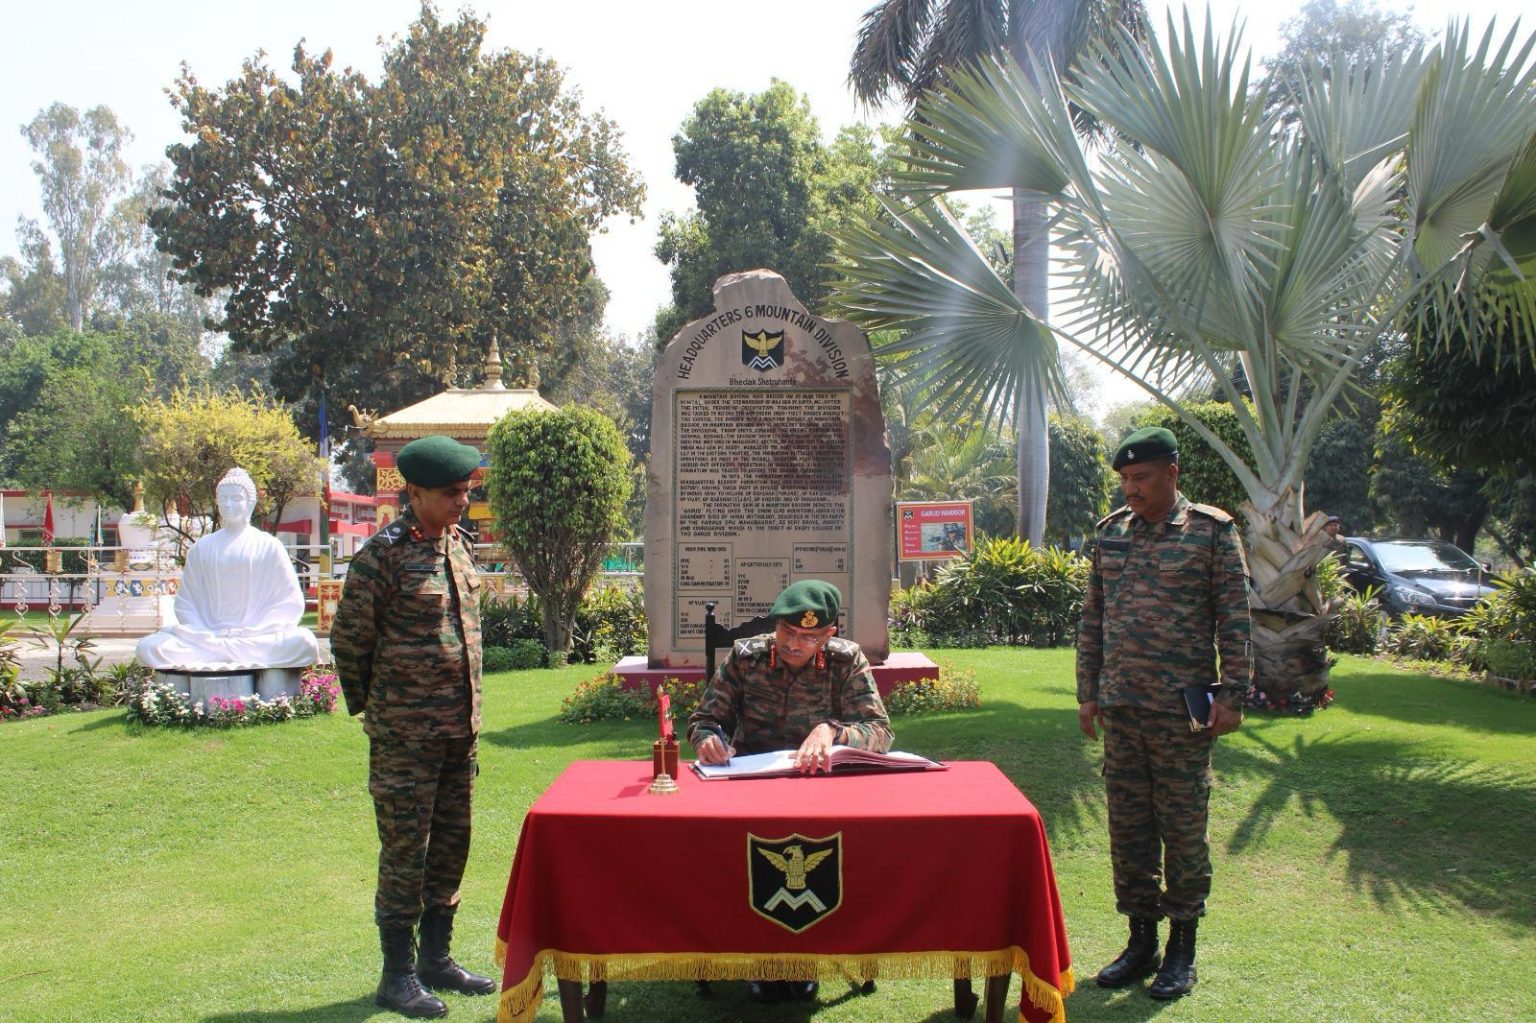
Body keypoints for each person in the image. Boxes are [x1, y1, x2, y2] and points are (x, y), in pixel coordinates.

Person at [1076, 427, 1251, 1001]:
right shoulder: (1110, 534)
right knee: (1128, 828)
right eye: (1125, 479)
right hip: (1122, 706)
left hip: (1183, 710)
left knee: (1181, 827)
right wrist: (1088, 692)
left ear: (1171, 474)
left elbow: (1236, 619)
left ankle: (1182, 947)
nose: (1131, 489)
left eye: (1141, 478)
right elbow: (1093, 620)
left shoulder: (1211, 532)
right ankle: (1140, 938)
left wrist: (1233, 694)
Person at [331, 435, 495, 1019]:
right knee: (406, 853)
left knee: (451, 847)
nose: (462, 503)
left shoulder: (457, 545)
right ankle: (396, 975)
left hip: (459, 732)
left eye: (467, 492)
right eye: (452, 494)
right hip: (405, 739)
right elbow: (350, 643)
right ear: (416, 492)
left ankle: (437, 960)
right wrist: (383, 711)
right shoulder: (384, 556)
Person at [687, 579, 892, 1003]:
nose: (795, 645)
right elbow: (705, 718)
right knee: (742, 852)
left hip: (821, 787)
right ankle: (757, 952)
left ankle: (809, 953)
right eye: (787, 633)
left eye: (808, 637)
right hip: (750, 781)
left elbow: (880, 732)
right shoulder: (747, 656)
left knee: (821, 854)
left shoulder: (846, 660)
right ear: (776, 626)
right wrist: (707, 738)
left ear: (828, 635)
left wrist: (832, 730)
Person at [135, 467, 319, 670]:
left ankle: (220, 653)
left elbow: (289, 601)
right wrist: (202, 631)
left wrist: (254, 630)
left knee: (304, 643)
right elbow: (185, 603)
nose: (228, 504)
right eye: (223, 499)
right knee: (149, 647)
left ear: (249, 502)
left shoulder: (268, 546)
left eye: (235, 498)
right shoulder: (201, 548)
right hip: (207, 637)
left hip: (255, 638)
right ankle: (222, 652)